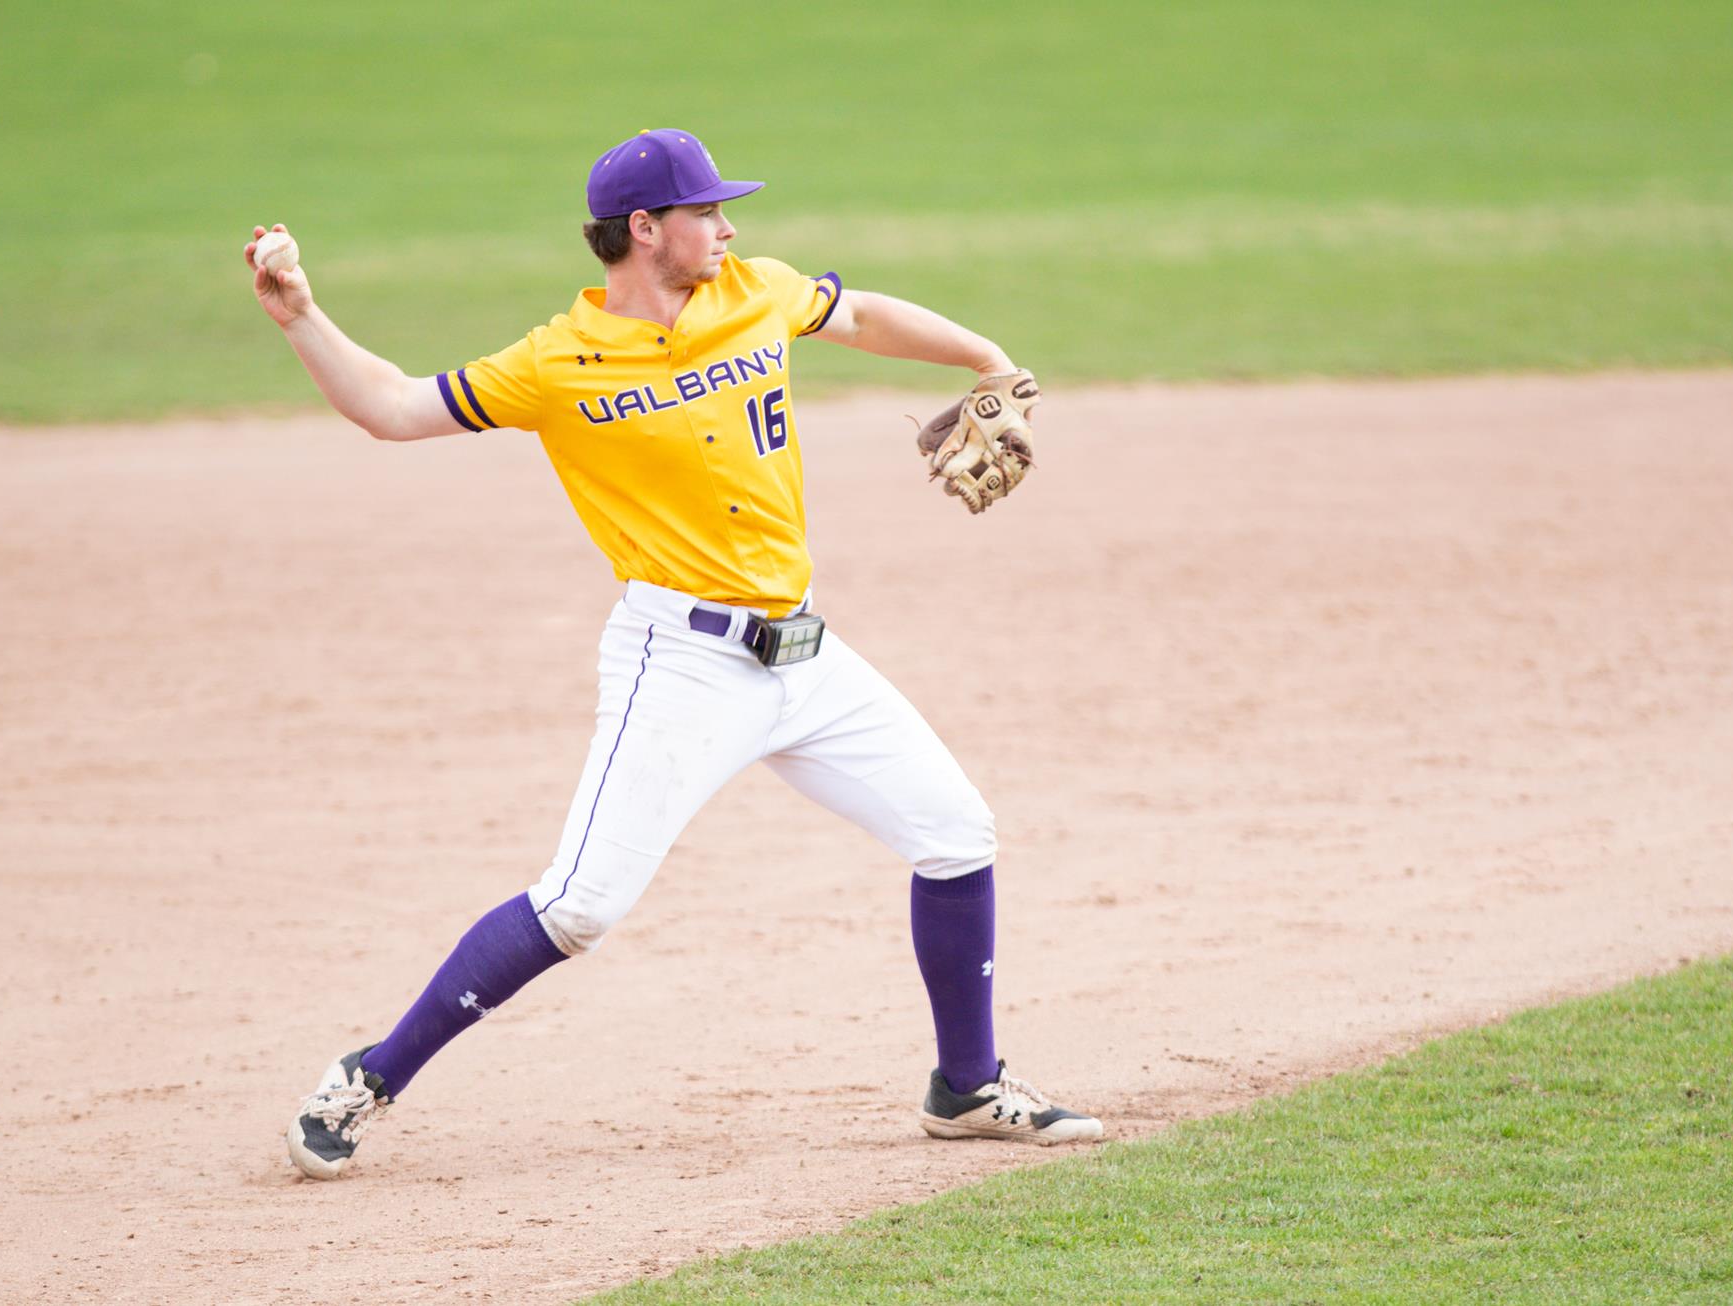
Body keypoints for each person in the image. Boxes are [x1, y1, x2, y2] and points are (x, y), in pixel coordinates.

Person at [245, 128, 1100, 1181]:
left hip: (804, 653)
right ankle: (368, 1076)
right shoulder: (555, 363)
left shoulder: (754, 288)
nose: (727, 226)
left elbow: (864, 312)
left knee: (955, 829)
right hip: (681, 663)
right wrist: (303, 319)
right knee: (578, 905)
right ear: (645, 230)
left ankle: (964, 1086)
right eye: (706, 211)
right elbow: (391, 406)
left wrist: (985, 356)